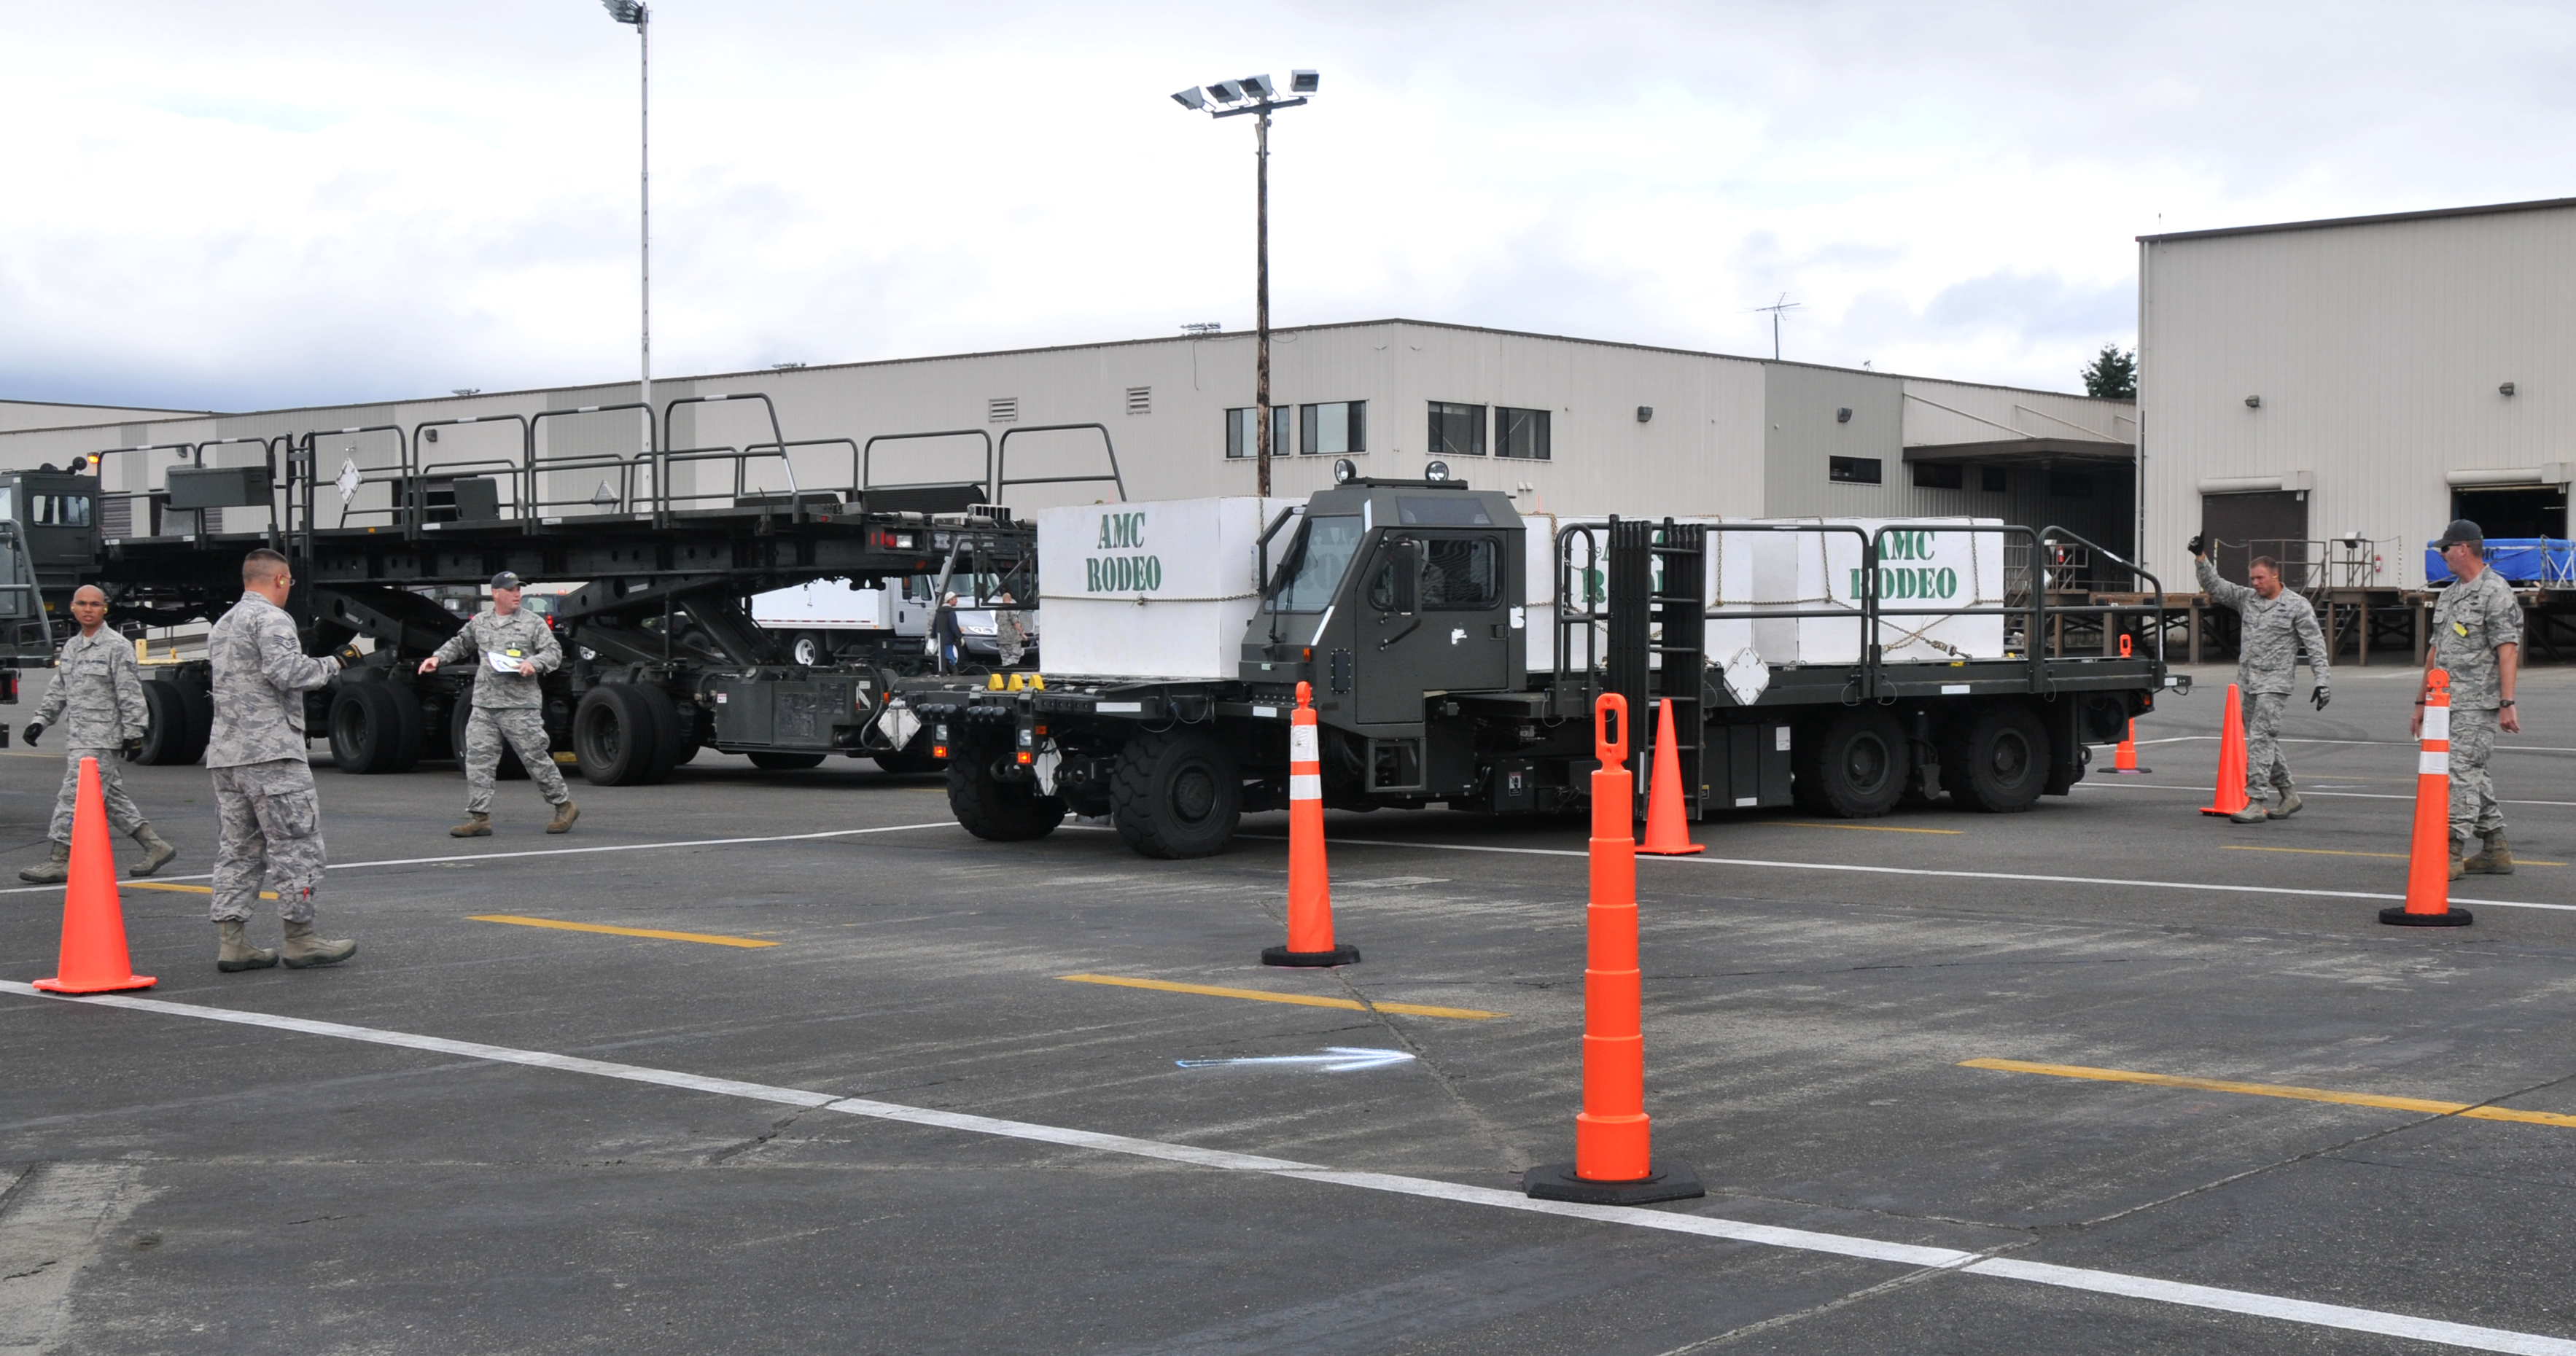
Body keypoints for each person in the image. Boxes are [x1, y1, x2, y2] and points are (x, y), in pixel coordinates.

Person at [207, 548, 357, 972]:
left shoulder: (223, 624)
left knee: (238, 850)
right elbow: (288, 673)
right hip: (271, 754)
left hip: (227, 756)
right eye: (289, 581)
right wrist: (337, 662)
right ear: (278, 579)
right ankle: (300, 939)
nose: (289, 588)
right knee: (296, 846)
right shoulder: (271, 618)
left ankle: (233, 943)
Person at [18, 585, 176, 882]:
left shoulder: (117, 646)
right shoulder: (72, 647)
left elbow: (130, 692)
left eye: (95, 604)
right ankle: (156, 846)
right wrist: (41, 720)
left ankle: (60, 858)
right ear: (73, 608)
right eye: (82, 604)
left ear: (105, 609)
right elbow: (60, 688)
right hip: (79, 737)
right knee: (109, 798)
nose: (88, 609)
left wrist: (134, 733)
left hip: (103, 739)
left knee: (74, 796)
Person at [417, 572, 576, 837]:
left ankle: (564, 806)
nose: (517, 594)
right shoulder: (481, 622)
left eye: (518, 589)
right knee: (478, 760)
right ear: (496, 593)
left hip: (520, 705)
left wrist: (533, 663)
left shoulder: (532, 622)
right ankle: (479, 817)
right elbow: (460, 643)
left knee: (535, 758)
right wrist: (437, 658)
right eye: (511, 590)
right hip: (485, 704)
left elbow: (553, 652)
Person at [2190, 534, 2332, 824]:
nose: (2255, 583)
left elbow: (2315, 645)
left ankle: (2255, 801)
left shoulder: (2296, 606)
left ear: (2275, 576)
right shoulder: (2248, 600)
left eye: (2260, 578)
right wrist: (2201, 558)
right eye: (2252, 579)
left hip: (2275, 683)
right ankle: (2289, 794)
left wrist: (2323, 681)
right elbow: (2217, 587)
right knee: (2263, 739)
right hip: (2250, 681)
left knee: (2260, 739)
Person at [2414, 519, 2521, 878]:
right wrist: (2421, 702)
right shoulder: (2450, 595)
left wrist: (2507, 702)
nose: (2442, 555)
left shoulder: (2496, 592)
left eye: (2445, 549)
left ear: (2463, 549)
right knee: (2471, 772)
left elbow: (2507, 650)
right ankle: (2495, 847)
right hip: (2444, 703)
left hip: (2478, 703)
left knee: (2458, 773)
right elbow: (2435, 652)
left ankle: (2450, 850)